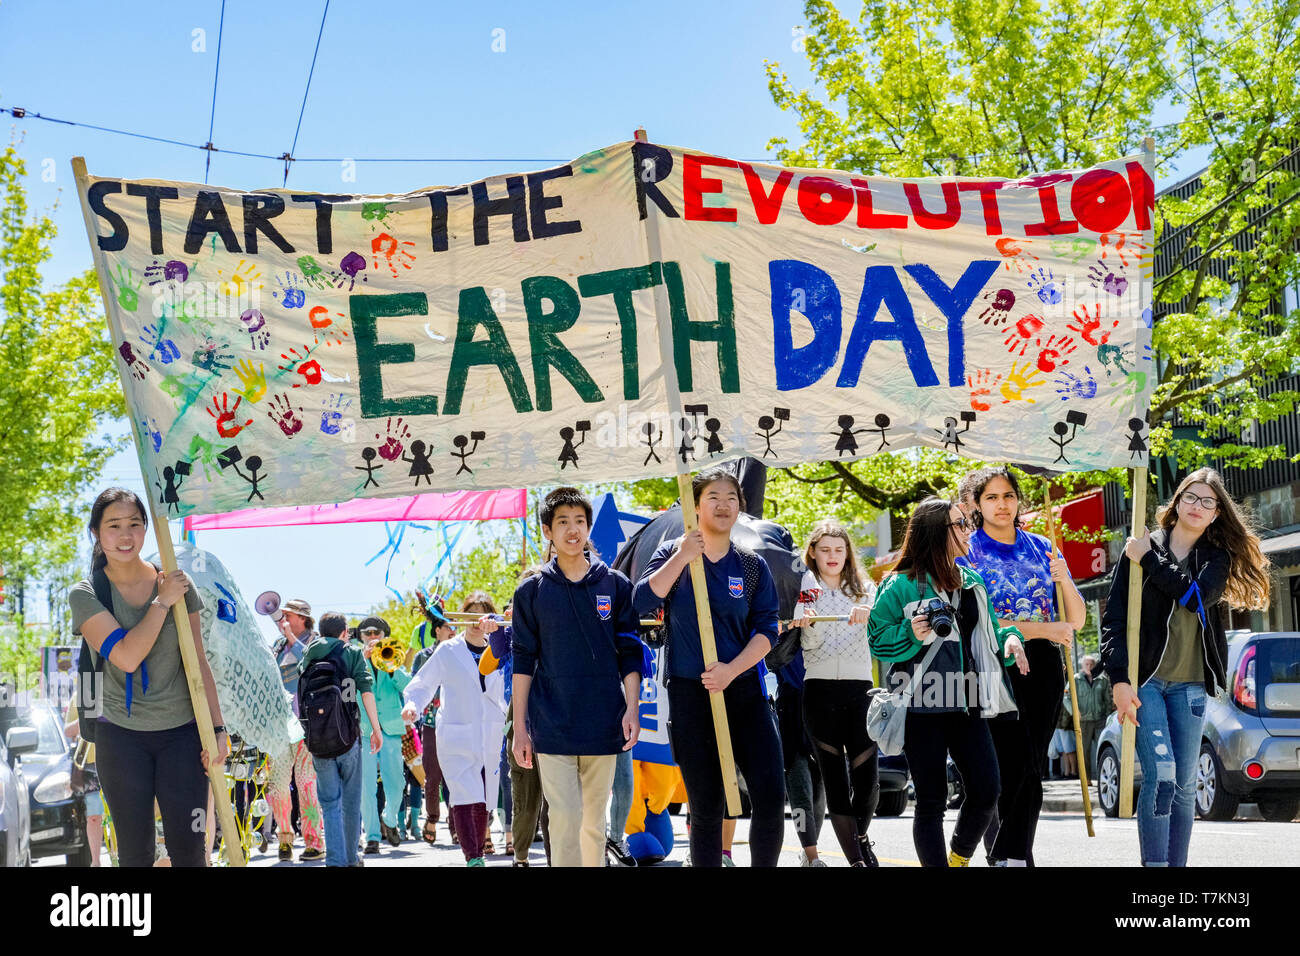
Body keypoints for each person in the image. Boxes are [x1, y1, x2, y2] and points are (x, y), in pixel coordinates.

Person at [1101, 468, 1269, 867]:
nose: (1199, 506)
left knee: (1186, 785)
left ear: (1215, 515)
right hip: (1147, 684)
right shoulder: (1139, 550)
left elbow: (1195, 597)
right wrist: (1120, 680)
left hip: (1191, 686)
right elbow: (1114, 621)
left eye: (1209, 502)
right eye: (1191, 498)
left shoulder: (1215, 558)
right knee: (1161, 774)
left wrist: (1149, 560)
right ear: (1175, 503)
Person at [634, 466, 785, 868]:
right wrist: (683, 556)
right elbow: (640, 603)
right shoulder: (673, 554)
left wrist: (731, 671)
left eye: (731, 498)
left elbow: (768, 629)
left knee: (770, 795)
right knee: (707, 804)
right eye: (713, 497)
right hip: (689, 692)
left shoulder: (751, 565)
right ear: (695, 506)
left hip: (744, 689)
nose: (723, 505)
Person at [67, 488, 226, 868]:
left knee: (191, 851)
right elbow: (126, 656)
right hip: (120, 737)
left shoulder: (176, 584)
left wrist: (217, 729)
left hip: (183, 735)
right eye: (114, 526)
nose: (125, 536)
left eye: (135, 525)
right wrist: (162, 602)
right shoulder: (86, 594)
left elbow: (198, 663)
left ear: (146, 530)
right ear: (96, 533)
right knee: (135, 855)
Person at [868, 496, 1028, 867]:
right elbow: (877, 640)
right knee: (931, 801)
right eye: (960, 525)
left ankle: (958, 858)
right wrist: (910, 631)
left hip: (968, 700)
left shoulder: (971, 581)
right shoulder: (899, 585)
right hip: (921, 704)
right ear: (937, 533)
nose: (968, 531)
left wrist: (1012, 640)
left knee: (987, 790)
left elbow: (988, 635)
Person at [511, 487, 643, 867]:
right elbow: (523, 661)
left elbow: (631, 653)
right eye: (563, 522)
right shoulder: (532, 591)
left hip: (605, 723)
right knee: (565, 817)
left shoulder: (615, 584)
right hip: (552, 724)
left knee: (593, 823)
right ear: (548, 531)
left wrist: (632, 709)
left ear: (589, 527)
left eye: (580, 521)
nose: (573, 530)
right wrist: (521, 728)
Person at [964, 466, 1084, 867]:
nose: (1002, 504)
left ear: (1019, 501)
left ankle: (1011, 857)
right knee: (1009, 763)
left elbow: (1077, 619)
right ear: (977, 504)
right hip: (994, 662)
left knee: (1031, 763)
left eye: (1009, 496)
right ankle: (1011, 855)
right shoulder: (967, 551)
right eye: (992, 497)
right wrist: (1043, 627)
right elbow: (980, 619)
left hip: (1045, 667)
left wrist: (1064, 578)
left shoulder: (1042, 547)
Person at [789, 519, 880, 866]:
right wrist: (807, 622)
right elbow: (807, 645)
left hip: (860, 691)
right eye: (825, 549)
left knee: (868, 784)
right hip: (820, 693)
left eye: (839, 550)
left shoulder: (865, 588)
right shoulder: (805, 590)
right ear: (812, 552)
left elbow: (879, 634)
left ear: (847, 554)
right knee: (835, 782)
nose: (832, 556)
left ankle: (859, 837)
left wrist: (867, 614)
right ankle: (857, 861)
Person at [402, 592, 508, 867]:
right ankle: (473, 857)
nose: (476, 622)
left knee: (485, 797)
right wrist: (413, 705)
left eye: (482, 615)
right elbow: (423, 683)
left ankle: (478, 851)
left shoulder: (500, 650)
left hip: (490, 733)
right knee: (464, 795)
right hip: (457, 733)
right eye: (470, 615)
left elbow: (509, 689)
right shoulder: (448, 650)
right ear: (461, 619)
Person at [299, 612, 382, 867]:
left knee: (329, 803)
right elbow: (366, 691)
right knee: (351, 800)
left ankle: (334, 861)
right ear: (345, 632)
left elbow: (300, 696)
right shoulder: (353, 653)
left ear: (321, 632)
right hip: (347, 736)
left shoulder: (309, 654)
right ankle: (351, 859)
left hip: (319, 740)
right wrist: (376, 731)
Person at [266, 597, 325, 862]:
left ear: (303, 618)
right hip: (280, 727)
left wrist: (292, 638)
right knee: (277, 786)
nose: (283, 619)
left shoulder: (315, 641)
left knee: (306, 784)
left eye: (288, 615)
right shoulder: (277, 646)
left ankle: (314, 841)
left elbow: (314, 667)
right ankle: (285, 838)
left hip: (307, 726)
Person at [356, 615, 411, 854]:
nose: (372, 636)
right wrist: (362, 661)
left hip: (390, 727)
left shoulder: (394, 656)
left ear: (384, 636)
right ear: (361, 637)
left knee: (397, 782)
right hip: (365, 729)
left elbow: (407, 686)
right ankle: (372, 836)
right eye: (367, 633)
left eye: (377, 632)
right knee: (366, 785)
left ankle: (390, 820)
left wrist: (391, 669)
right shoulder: (354, 658)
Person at [409, 603, 455, 844]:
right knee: (432, 774)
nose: (453, 632)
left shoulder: (460, 652)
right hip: (430, 722)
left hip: (456, 719)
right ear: (437, 630)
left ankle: (457, 824)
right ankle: (432, 818)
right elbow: (416, 687)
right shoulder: (423, 656)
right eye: (449, 628)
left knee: (455, 773)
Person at [64, 697, 103, 866]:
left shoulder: (112, 686)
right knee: (93, 816)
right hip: (89, 764)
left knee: (122, 812)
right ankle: (96, 862)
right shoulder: (78, 697)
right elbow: (67, 731)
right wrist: (86, 718)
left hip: (115, 760)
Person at [1075, 654, 1112, 778]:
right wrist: (1075, 712)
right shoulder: (1076, 679)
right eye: (1086, 664)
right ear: (1082, 665)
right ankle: (1086, 779)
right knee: (1084, 751)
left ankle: (1104, 777)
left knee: (1101, 749)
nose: (1089, 666)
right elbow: (1066, 698)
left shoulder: (1103, 680)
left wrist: (1107, 717)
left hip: (1100, 720)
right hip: (1084, 721)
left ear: (1095, 666)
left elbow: (1108, 700)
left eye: (1091, 664)